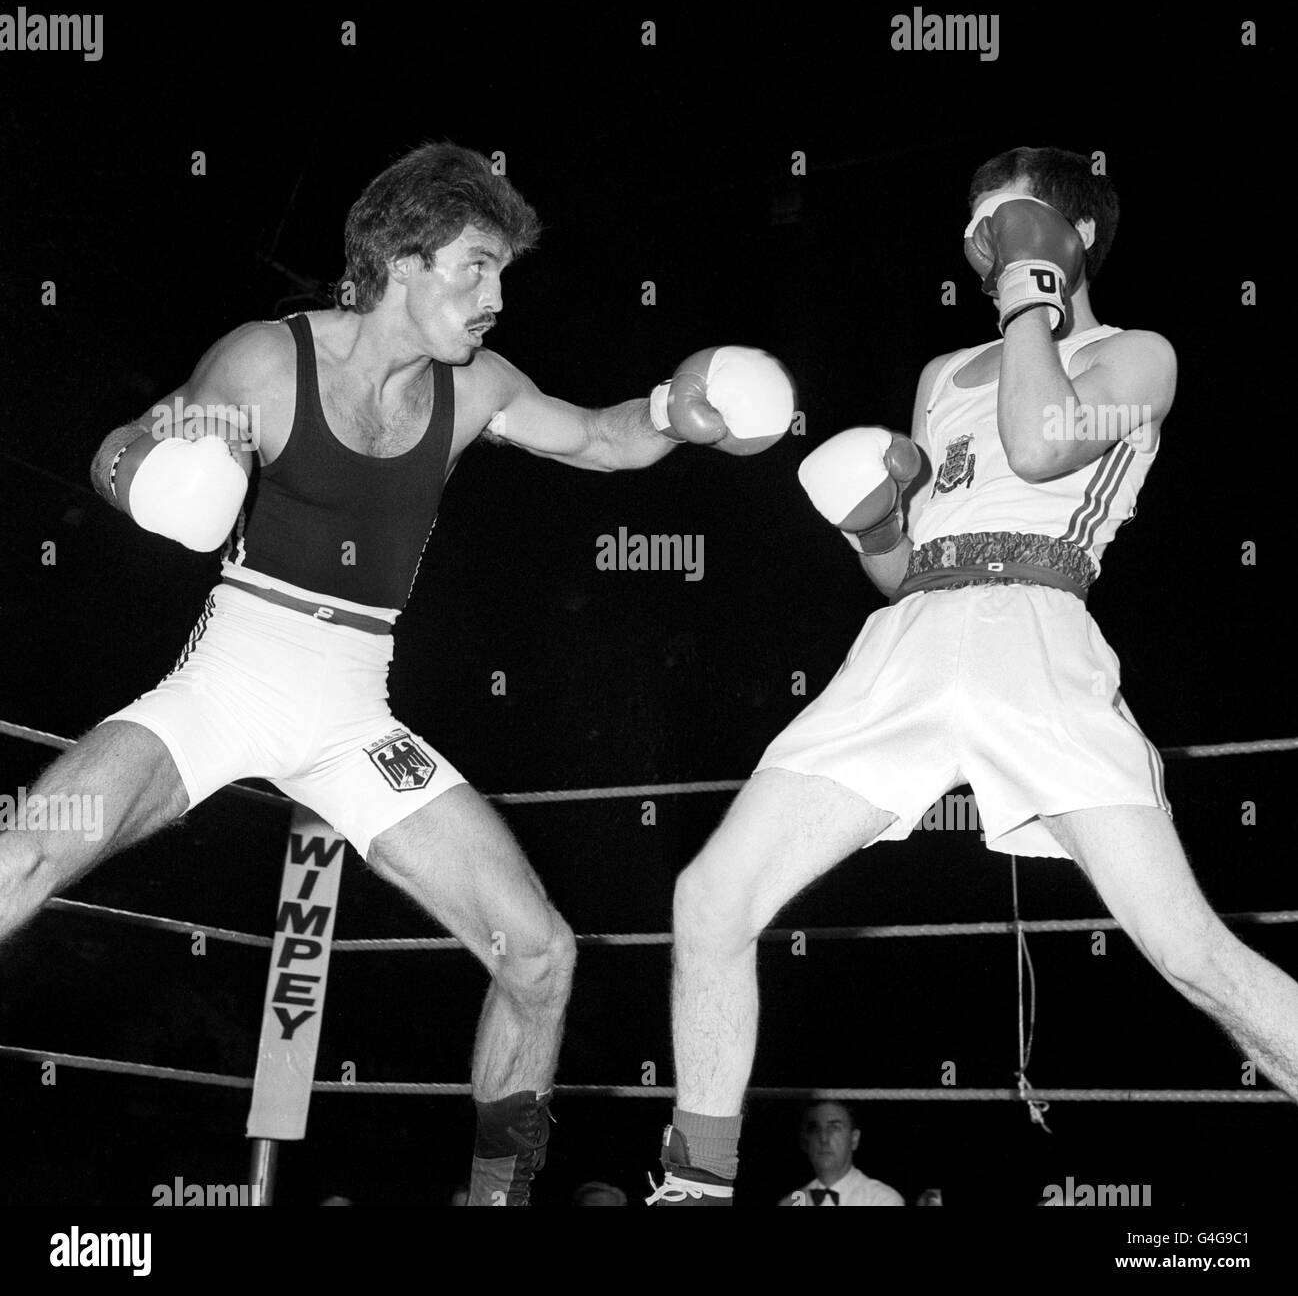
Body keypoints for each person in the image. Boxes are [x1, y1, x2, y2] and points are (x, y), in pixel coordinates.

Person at [0, 141, 793, 1208]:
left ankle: (496, 1197)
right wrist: (152, 475)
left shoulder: (477, 388)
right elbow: (120, 450)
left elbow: (600, 441)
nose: (496, 297)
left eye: (504, 273)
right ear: (401, 261)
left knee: (540, 955)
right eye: (476, 266)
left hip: (350, 715)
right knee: (24, 856)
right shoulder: (269, 363)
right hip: (225, 682)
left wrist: (669, 405)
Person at [647, 146, 1298, 1206]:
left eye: (1017, 221)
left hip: (1037, 636)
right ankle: (695, 1182)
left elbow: (1042, 449)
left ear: (1073, 237)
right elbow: (904, 571)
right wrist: (871, 522)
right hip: (907, 645)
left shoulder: (1139, 358)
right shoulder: (939, 377)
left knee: (1190, 954)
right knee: (710, 895)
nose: (989, 241)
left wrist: (1031, 298)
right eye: (981, 224)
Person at [778, 1101, 903, 1207]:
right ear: (805, 1142)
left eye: (834, 1128)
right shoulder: (792, 1201)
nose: (823, 1138)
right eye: (815, 1129)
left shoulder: (882, 1199)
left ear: (854, 1139)